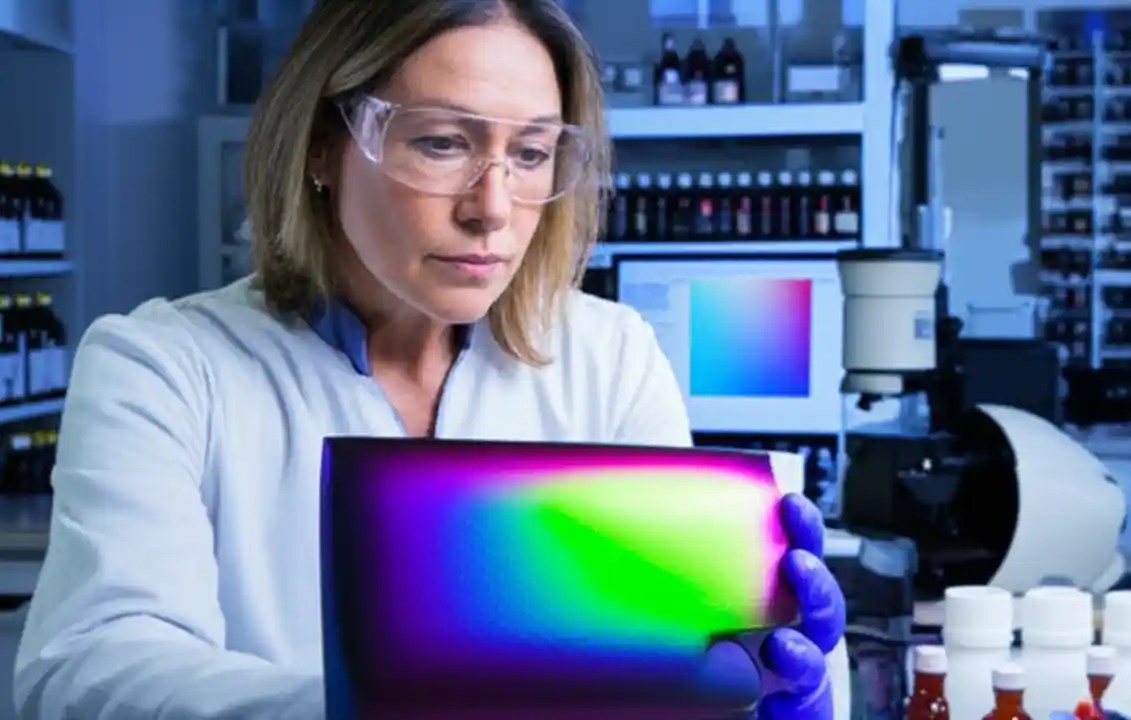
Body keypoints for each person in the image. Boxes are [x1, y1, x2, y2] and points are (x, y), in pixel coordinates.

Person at [14, 1, 847, 718]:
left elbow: (666, 669)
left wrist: (762, 683)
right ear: (320, 146)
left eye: (529, 154)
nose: (493, 209)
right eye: (444, 143)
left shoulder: (608, 357)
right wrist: (367, 706)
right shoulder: (162, 368)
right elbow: (91, 671)